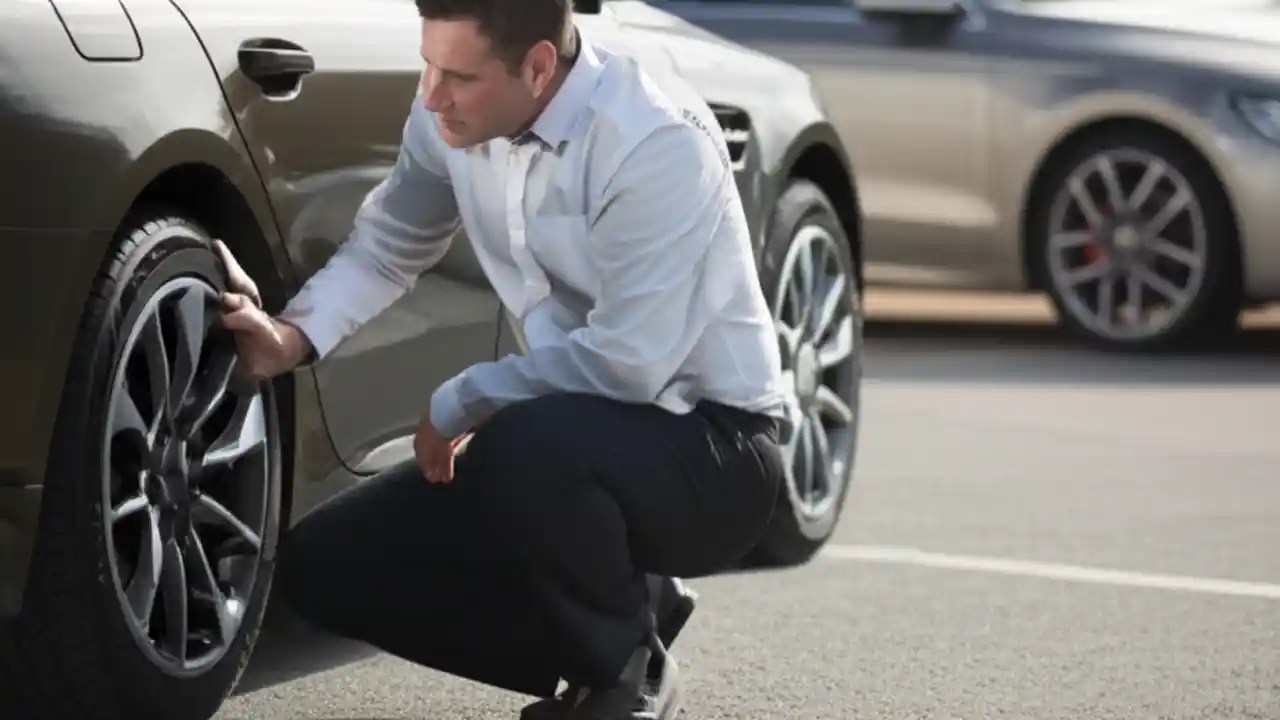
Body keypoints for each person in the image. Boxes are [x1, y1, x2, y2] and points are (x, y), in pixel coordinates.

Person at [215, 0, 789, 717]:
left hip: (712, 449)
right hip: (562, 444)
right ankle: (626, 607)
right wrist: (288, 337)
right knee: (323, 568)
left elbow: (628, 365)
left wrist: (464, 396)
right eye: (428, 63)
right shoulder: (447, 115)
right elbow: (391, 244)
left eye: (459, 74)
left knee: (522, 445)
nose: (431, 94)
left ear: (539, 66)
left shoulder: (652, 139)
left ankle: (618, 670)